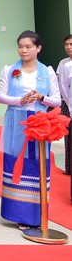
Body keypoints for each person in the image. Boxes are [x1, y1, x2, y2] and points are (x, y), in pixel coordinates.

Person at [0, 30, 61, 230]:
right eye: (20, 46)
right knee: (15, 162)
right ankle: (16, 212)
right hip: (17, 120)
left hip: (40, 122)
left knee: (37, 164)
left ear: (38, 48)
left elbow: (57, 100)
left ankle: (35, 214)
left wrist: (42, 98)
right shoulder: (9, 69)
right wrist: (20, 100)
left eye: (28, 47)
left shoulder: (47, 71)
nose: (23, 50)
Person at [56, 34, 72, 177]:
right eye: (66, 44)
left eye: (71, 44)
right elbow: (62, 87)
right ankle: (69, 167)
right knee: (68, 134)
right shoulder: (63, 63)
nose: (68, 47)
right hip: (67, 103)